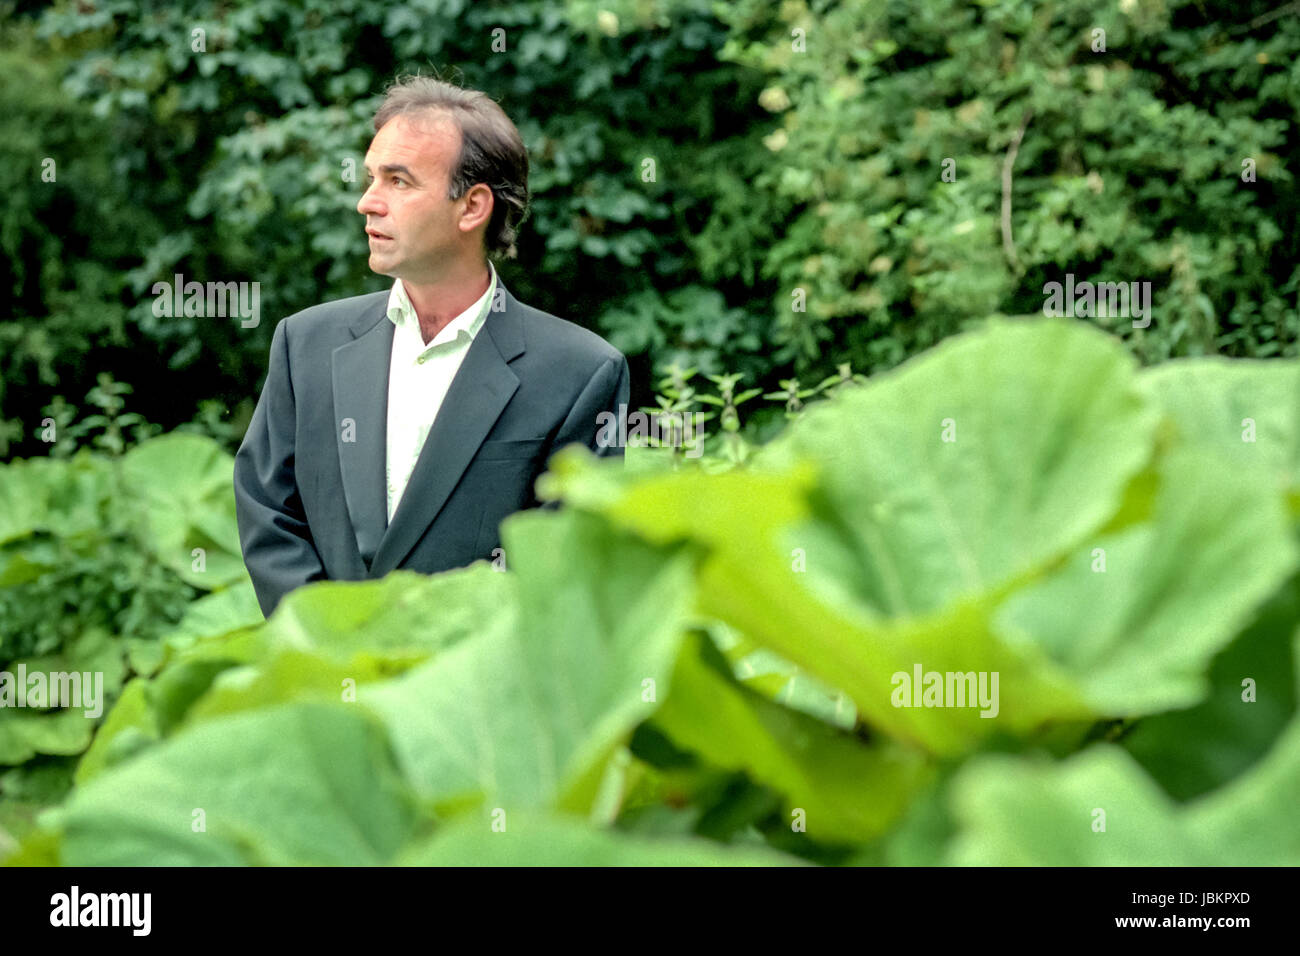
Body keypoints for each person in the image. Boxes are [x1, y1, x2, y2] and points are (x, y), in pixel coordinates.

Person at [233, 76, 629, 617]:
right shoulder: (304, 344)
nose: (367, 203)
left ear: (471, 208)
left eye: (399, 181)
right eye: (373, 177)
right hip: (330, 684)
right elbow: (268, 511)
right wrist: (332, 649)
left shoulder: (581, 373)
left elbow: (565, 565)